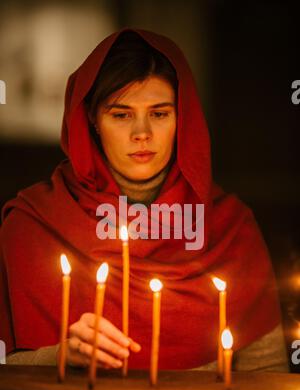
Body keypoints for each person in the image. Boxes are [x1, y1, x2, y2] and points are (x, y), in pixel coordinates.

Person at [0, 28, 288, 371]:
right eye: (121, 114)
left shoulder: (230, 229)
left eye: (159, 113)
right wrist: (59, 357)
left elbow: (266, 378)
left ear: (184, 118)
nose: (142, 133)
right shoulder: (33, 226)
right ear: (91, 118)